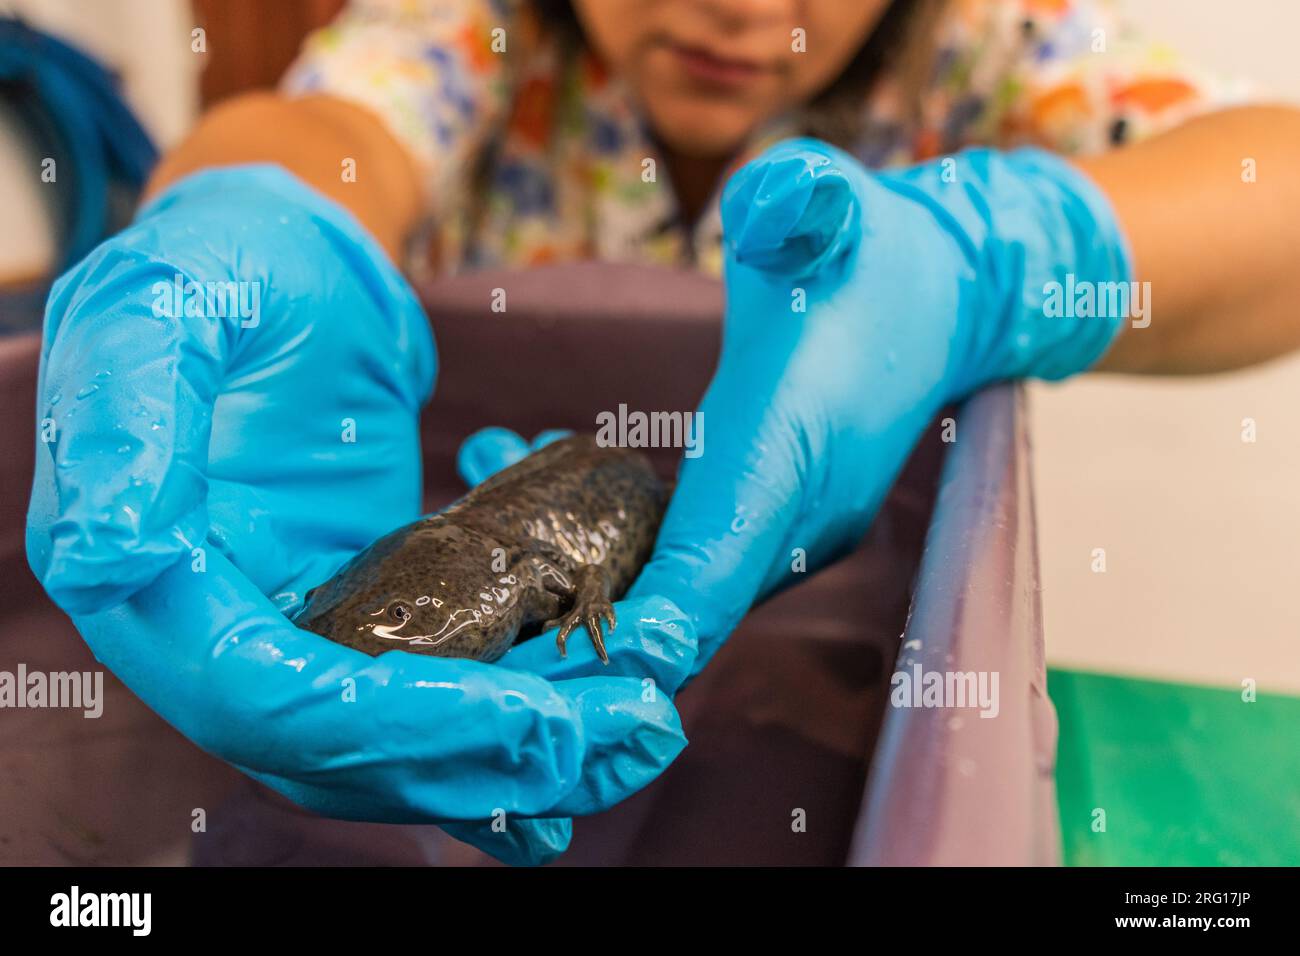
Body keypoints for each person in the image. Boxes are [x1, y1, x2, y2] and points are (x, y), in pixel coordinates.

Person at [25, 0, 1300, 865]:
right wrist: (239, 212)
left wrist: (988, 261)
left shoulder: (983, 40)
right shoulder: (470, 30)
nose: (733, 7)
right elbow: (330, 128)